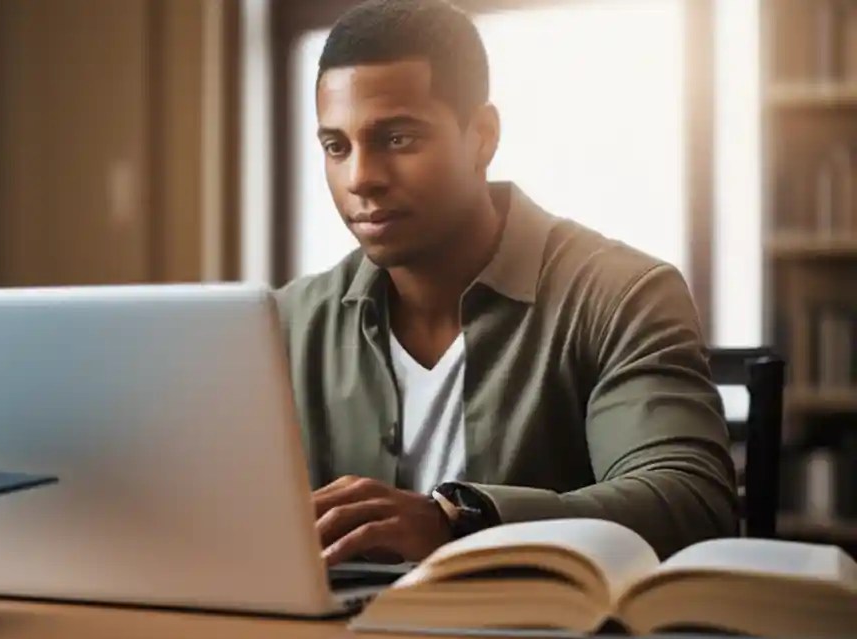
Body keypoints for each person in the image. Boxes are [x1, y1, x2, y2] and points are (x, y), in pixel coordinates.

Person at [273, 0, 737, 566]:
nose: (361, 178)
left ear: (483, 137)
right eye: (336, 147)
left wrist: (461, 521)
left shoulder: (623, 295)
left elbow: (693, 504)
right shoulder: (285, 323)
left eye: (398, 139)